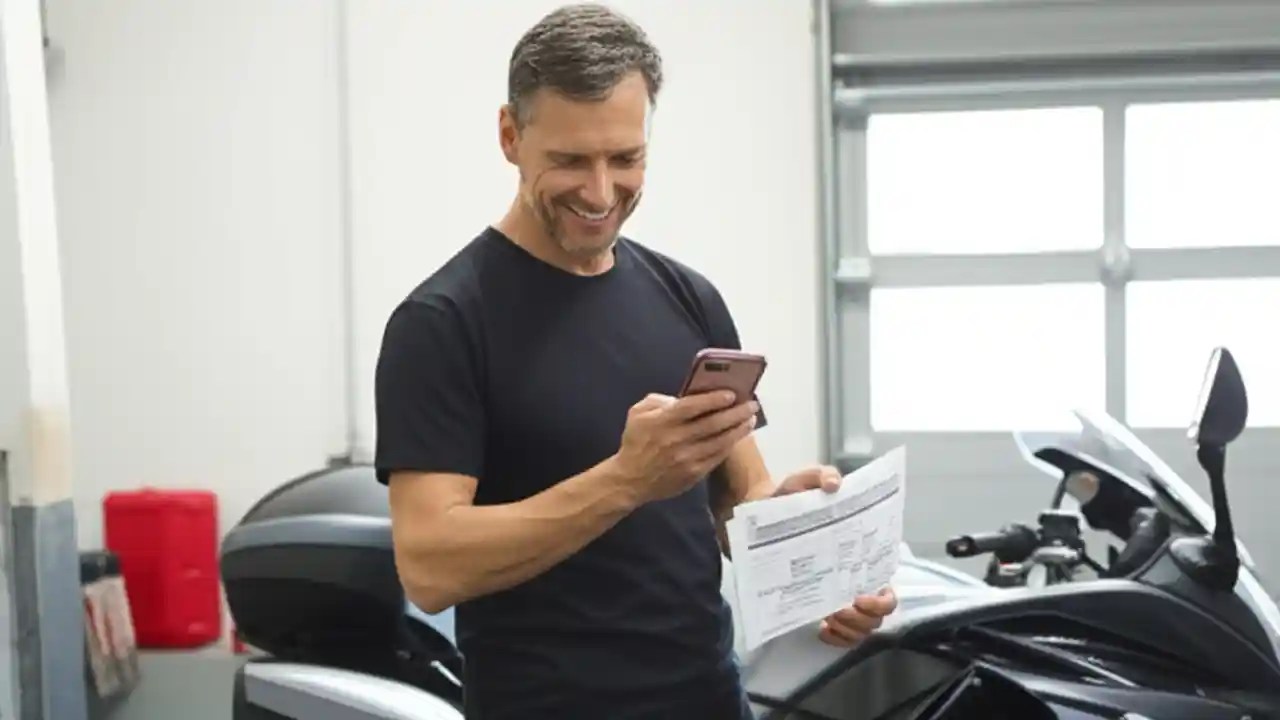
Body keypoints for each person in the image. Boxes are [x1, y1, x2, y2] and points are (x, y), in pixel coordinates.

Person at [373, 4, 898, 718]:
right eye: (569, 160)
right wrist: (625, 480)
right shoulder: (442, 324)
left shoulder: (689, 298)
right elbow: (430, 563)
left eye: (625, 158)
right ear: (510, 136)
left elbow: (734, 502)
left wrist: (805, 547)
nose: (599, 192)